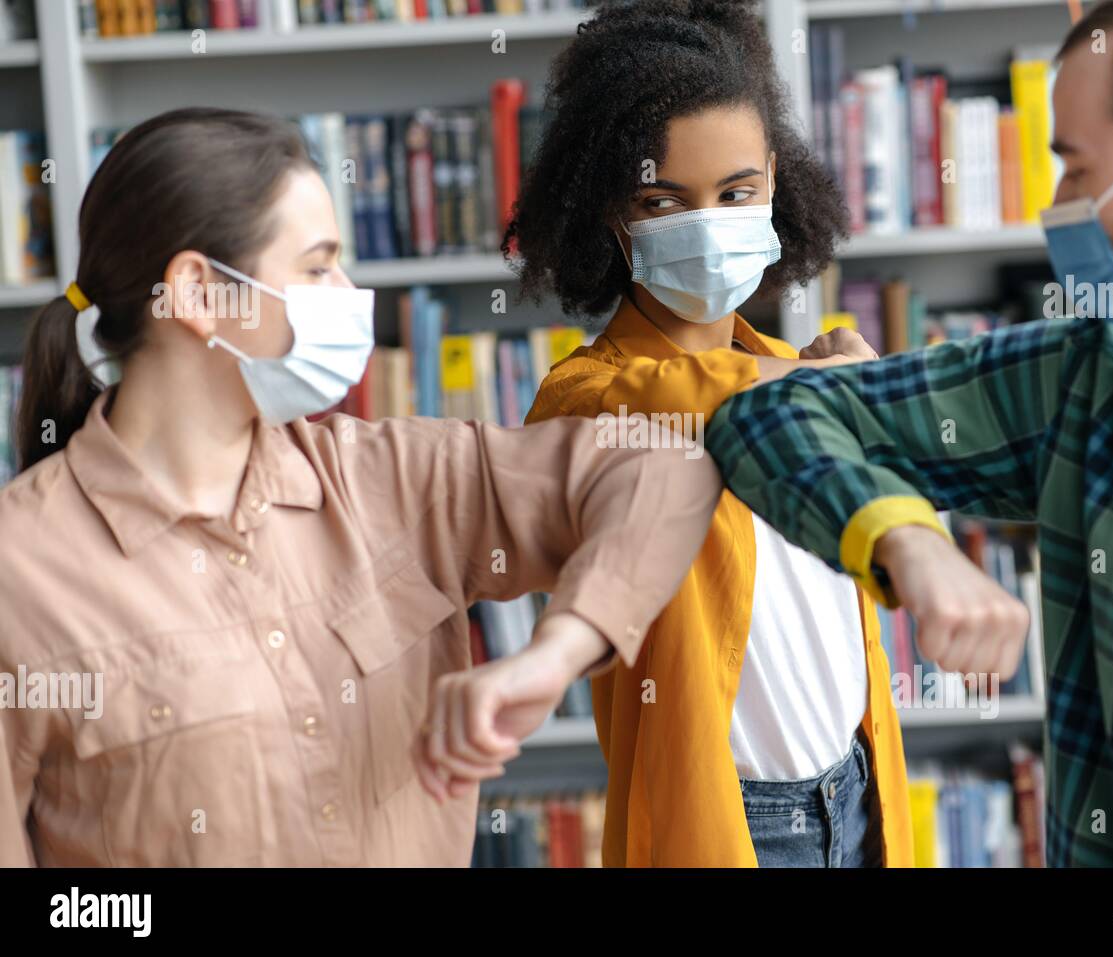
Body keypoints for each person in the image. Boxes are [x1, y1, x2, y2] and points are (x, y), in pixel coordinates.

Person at [0, 107, 720, 866]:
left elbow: (662, 467)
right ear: (201, 294)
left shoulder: (394, 479)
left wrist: (553, 655)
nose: (349, 293)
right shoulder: (22, 574)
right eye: (317, 267)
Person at [706, 0, 1113, 866]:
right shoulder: (1095, 376)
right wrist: (907, 538)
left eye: (1075, 169)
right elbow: (770, 415)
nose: (1053, 211)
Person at [510, 0, 935, 867]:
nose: (709, 223)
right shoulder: (585, 398)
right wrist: (816, 385)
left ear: (776, 182)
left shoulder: (795, 362)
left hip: (859, 792)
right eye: (665, 201)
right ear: (614, 216)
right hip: (736, 820)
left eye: (738, 192)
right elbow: (654, 398)